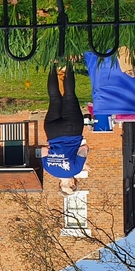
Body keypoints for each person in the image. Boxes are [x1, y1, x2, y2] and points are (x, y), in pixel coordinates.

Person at [40, 65, 89, 194]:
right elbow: (43, 150)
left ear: (72, 184)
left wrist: (83, 163)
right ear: (60, 184)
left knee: (70, 96)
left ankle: (68, 63)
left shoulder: (75, 170)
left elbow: (84, 149)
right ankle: (52, 65)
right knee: (54, 98)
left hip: (72, 130)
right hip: (52, 132)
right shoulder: (49, 170)